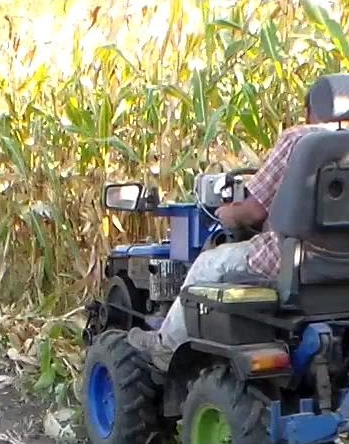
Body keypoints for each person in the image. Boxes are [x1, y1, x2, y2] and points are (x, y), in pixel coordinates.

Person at [126, 91, 333, 369]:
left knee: (208, 264)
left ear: (309, 110)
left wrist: (228, 214)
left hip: (292, 262)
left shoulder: (300, 140)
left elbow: (254, 211)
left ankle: (165, 348)